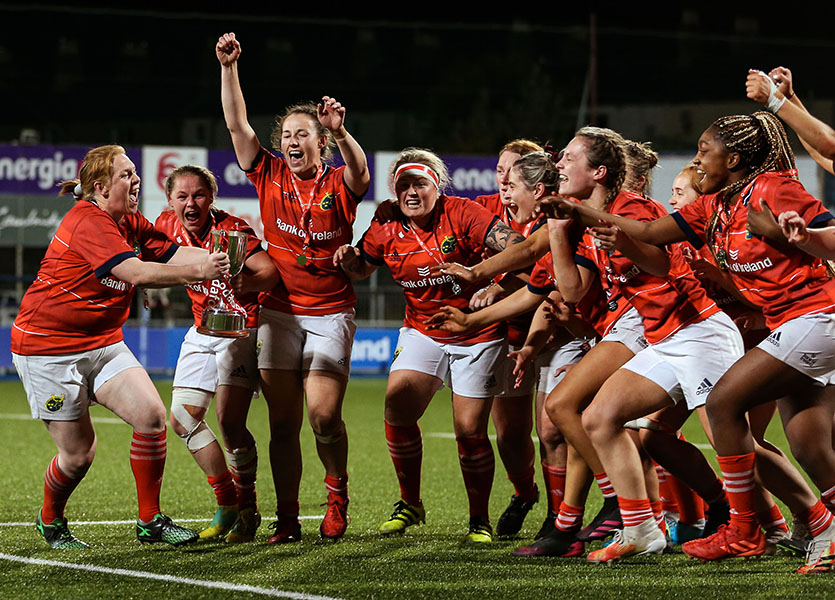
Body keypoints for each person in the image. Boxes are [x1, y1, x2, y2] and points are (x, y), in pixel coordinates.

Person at [550, 112, 835, 573]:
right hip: (696, 333)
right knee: (602, 417)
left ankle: (764, 525)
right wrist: (580, 215)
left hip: (780, 321)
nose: (697, 159)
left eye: (705, 151)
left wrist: (798, 235)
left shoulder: (772, 188)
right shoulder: (714, 206)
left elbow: (659, 259)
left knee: (729, 415)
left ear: (735, 157)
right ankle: (645, 529)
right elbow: (647, 237)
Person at [11, 145, 229, 549]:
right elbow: (136, 271)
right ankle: (50, 519)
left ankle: (150, 522)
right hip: (48, 348)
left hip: (103, 341)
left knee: (150, 416)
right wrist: (201, 270)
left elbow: (170, 251)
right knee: (79, 456)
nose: (136, 180)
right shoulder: (87, 221)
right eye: (126, 174)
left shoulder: (129, 218)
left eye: (134, 172)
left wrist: (234, 256)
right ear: (100, 187)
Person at [217, 32, 370, 543]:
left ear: (320, 142)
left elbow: (362, 172)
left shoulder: (338, 182)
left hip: (329, 313)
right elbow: (238, 124)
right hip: (279, 313)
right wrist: (229, 67)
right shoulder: (269, 174)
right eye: (286, 134)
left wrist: (343, 132)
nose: (291, 141)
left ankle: (336, 491)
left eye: (302, 134)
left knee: (324, 416)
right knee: (282, 424)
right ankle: (286, 516)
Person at [335, 148, 525, 542]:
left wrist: (494, 284)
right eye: (403, 184)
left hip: (477, 332)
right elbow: (362, 268)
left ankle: (479, 520)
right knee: (398, 406)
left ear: (437, 186)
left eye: (419, 183)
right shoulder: (385, 221)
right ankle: (411, 504)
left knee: (470, 430)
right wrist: (347, 258)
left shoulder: (464, 213)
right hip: (423, 327)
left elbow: (520, 247)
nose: (410, 191)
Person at [155, 165, 279, 542]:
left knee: (229, 422)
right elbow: (138, 246)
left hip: (241, 328)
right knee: (180, 417)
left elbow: (270, 273)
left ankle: (248, 508)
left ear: (211, 198)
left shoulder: (231, 231)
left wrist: (248, 280)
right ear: (170, 201)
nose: (190, 203)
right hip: (202, 329)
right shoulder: (164, 224)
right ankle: (229, 503)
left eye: (198, 195)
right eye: (182, 196)